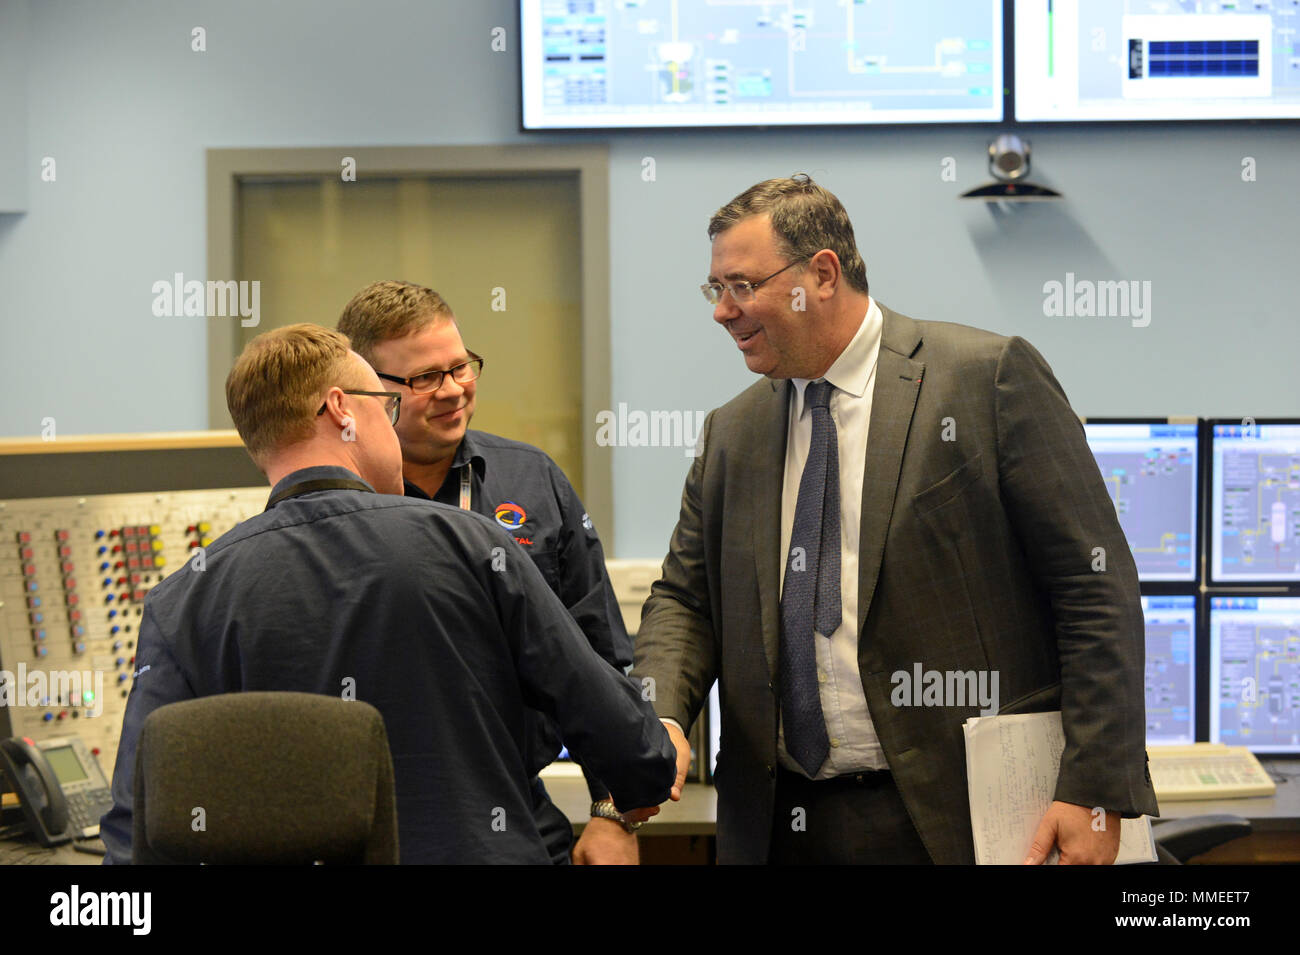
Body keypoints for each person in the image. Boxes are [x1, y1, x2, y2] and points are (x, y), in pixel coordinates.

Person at [630, 174, 1159, 865]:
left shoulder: (983, 379)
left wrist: (1094, 787)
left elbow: (1095, 588)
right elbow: (684, 600)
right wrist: (663, 711)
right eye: (715, 289)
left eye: (741, 285)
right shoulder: (733, 432)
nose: (723, 311)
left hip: (958, 821)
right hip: (777, 823)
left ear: (822, 273)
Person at [99, 324, 674, 864]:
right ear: (342, 408)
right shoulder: (471, 543)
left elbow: (136, 825)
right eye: (386, 405)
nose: (393, 428)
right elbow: (634, 747)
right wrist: (641, 772)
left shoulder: (182, 599)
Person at [338, 282, 640, 865]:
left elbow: (602, 660)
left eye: (461, 367)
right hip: (379, 828)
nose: (453, 391)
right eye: (426, 377)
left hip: (518, 814)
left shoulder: (532, 481)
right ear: (369, 392)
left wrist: (613, 812)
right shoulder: (337, 506)